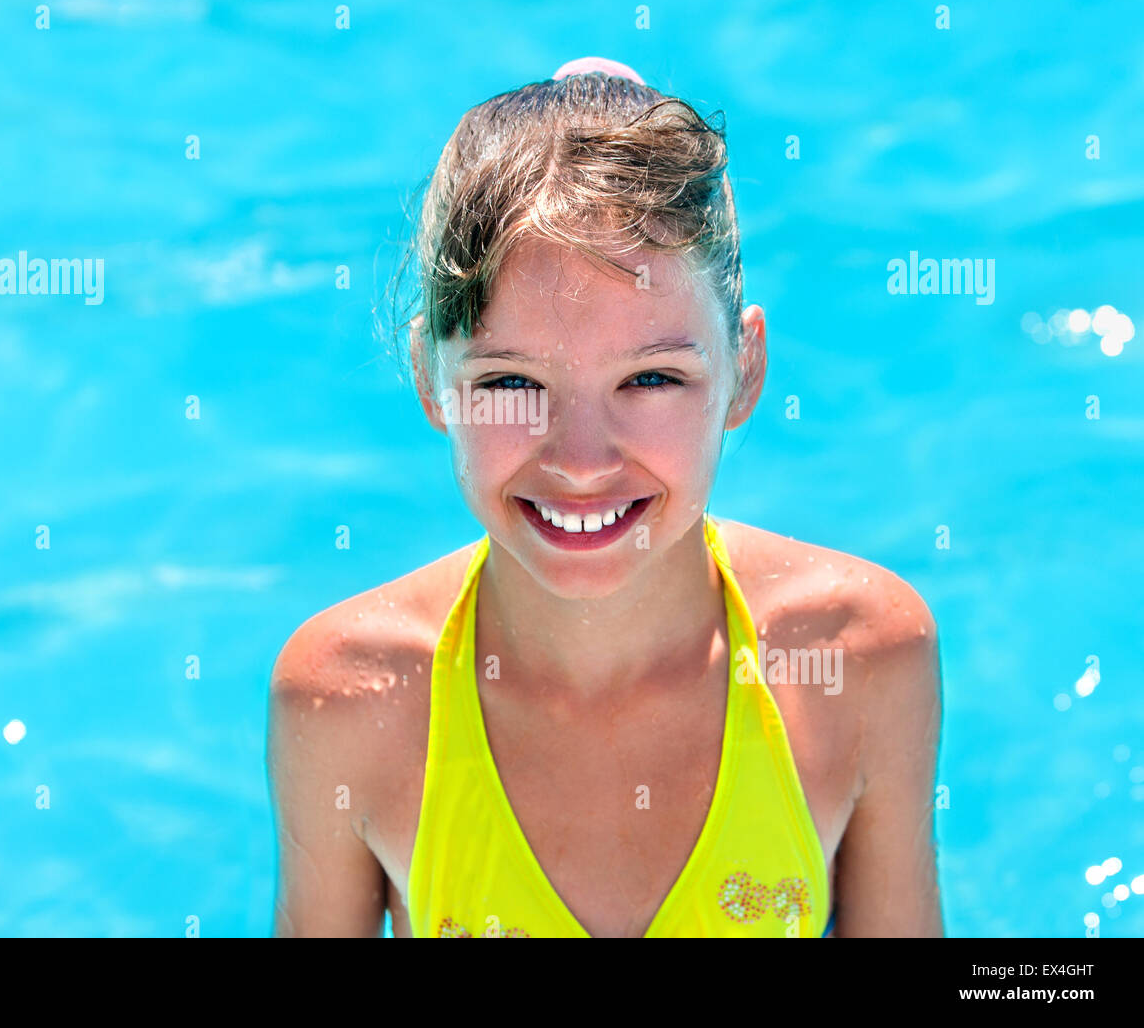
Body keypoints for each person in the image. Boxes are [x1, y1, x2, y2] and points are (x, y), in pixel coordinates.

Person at [267, 58, 945, 937]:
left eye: (653, 378)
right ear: (430, 382)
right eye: (511, 384)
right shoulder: (352, 698)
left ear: (746, 371)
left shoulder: (861, 658)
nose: (581, 462)